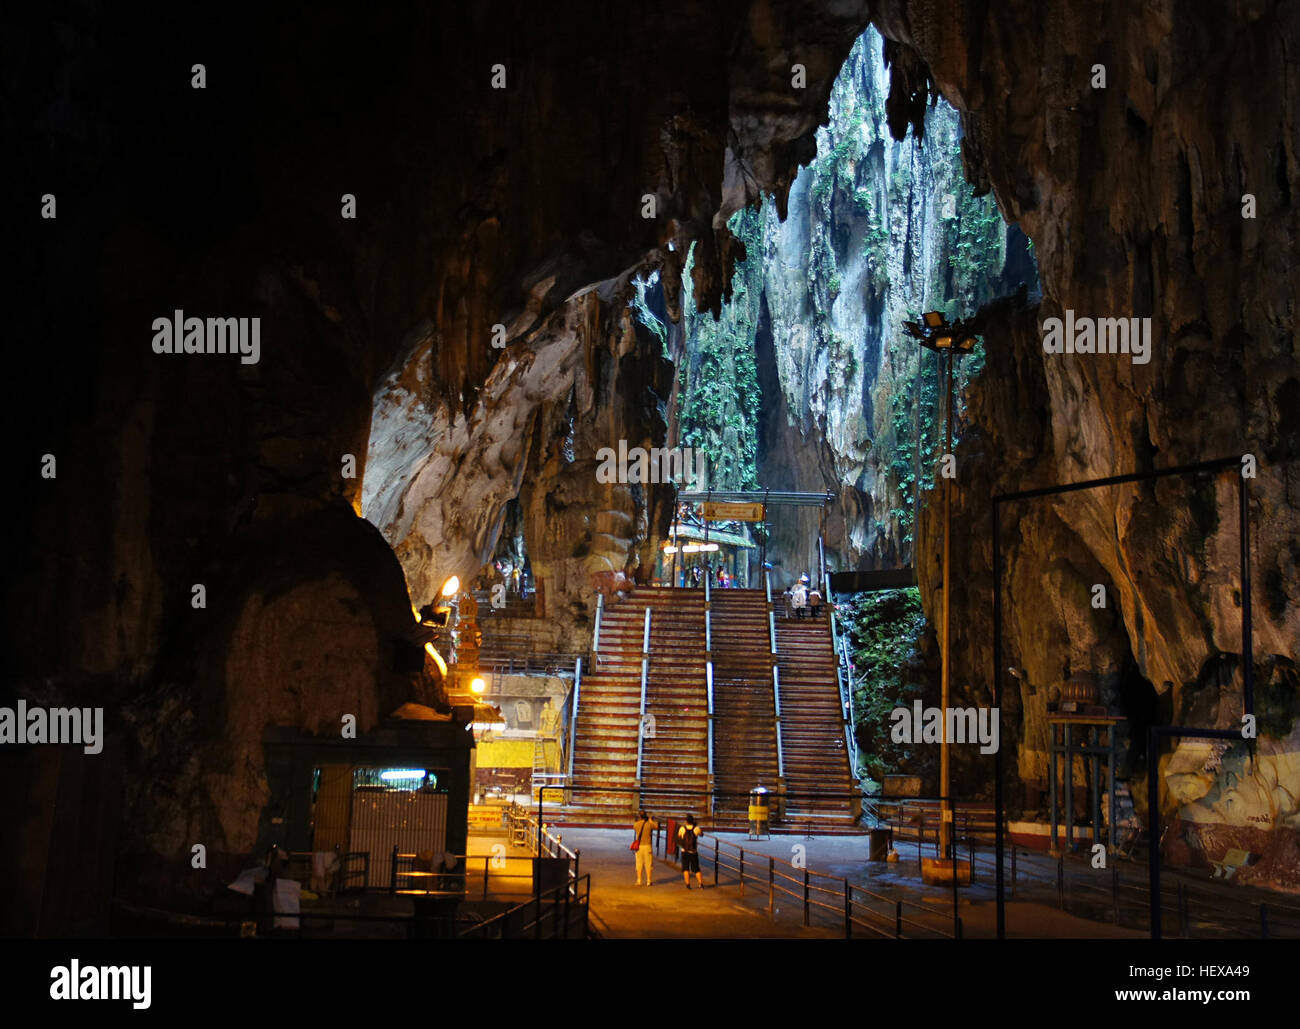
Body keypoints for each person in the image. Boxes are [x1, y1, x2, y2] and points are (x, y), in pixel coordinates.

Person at [632, 810, 658, 885]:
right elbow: (656, 826)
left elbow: (634, 826)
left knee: (639, 864)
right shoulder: (649, 824)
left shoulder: (636, 824)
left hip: (639, 846)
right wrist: (650, 820)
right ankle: (649, 880)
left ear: (639, 816)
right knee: (648, 864)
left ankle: (639, 880)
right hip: (647, 846)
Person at [677, 814, 703, 888]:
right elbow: (701, 834)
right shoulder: (696, 828)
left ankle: (688, 884)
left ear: (686, 821)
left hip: (684, 851)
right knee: (696, 868)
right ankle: (700, 883)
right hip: (693, 851)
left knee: (685, 868)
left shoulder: (682, 828)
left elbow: (679, 836)